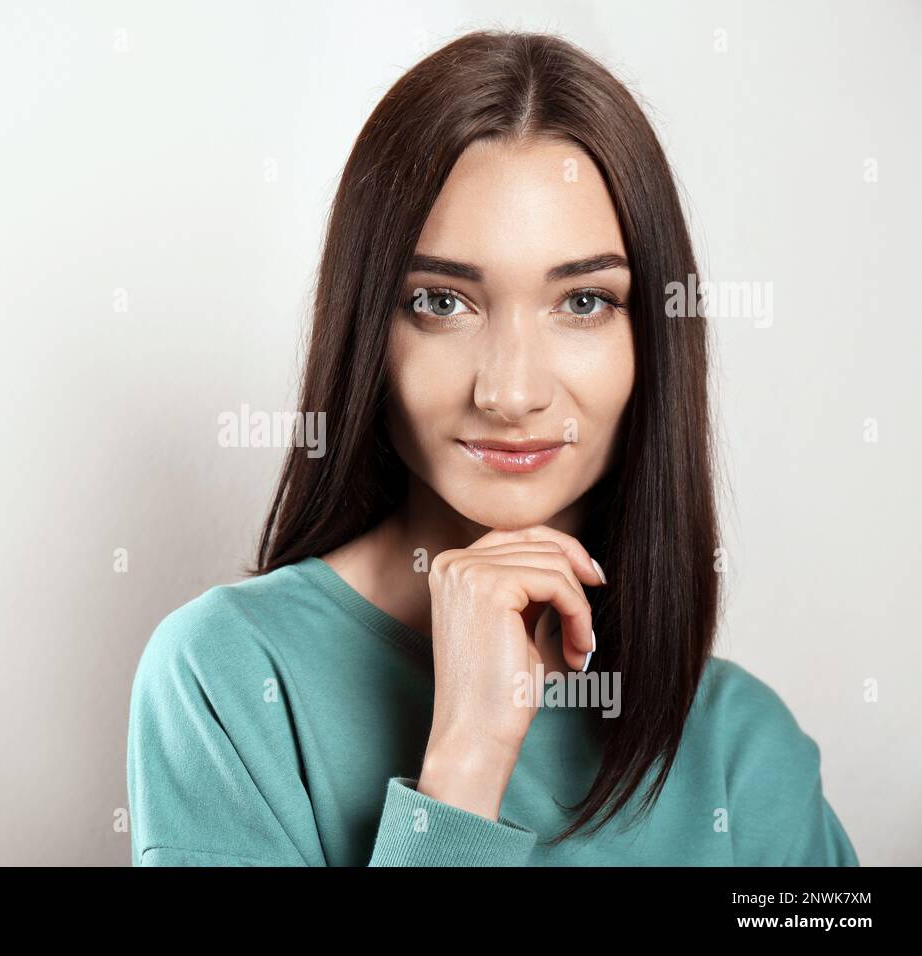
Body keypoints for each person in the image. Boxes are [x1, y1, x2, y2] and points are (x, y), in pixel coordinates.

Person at [125, 29, 859, 866]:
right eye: (441, 302)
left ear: (652, 340)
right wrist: (465, 764)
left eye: (582, 302)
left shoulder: (743, 748)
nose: (510, 394)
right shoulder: (229, 678)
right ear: (367, 330)